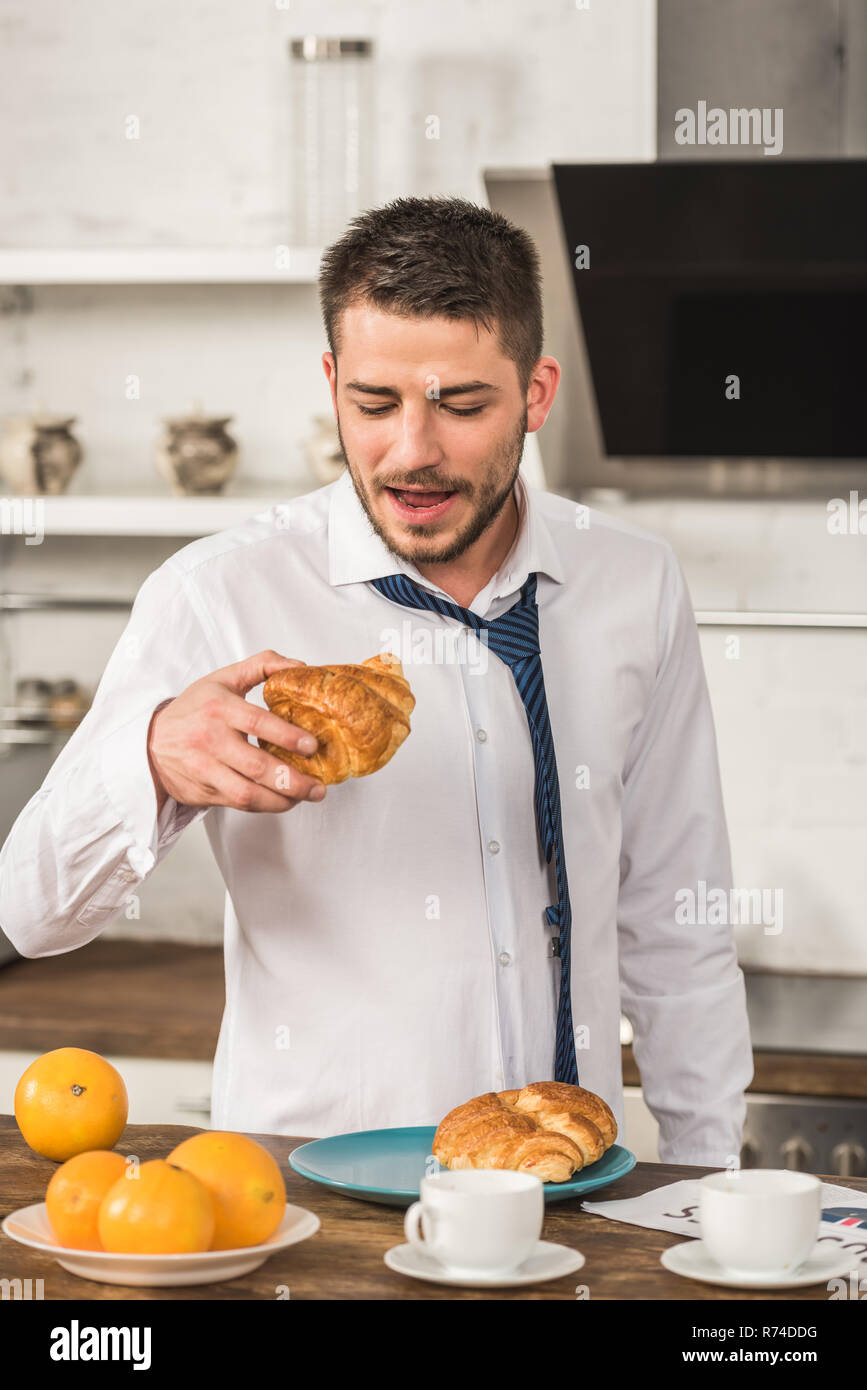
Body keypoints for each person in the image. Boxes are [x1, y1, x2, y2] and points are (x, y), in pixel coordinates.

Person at [0, 196, 753, 1163]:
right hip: (307, 1203)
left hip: (567, 1196)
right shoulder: (219, 590)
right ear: (330, 384)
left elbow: (675, 918)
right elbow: (30, 913)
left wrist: (705, 1185)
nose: (411, 452)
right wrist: (146, 757)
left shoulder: (633, 582)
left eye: (462, 405)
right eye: (373, 403)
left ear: (535, 392)